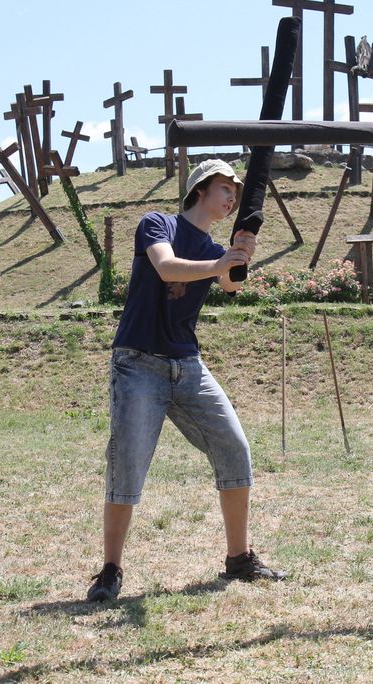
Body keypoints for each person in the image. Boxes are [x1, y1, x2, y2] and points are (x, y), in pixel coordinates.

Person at [87, 159, 286, 603]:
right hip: (139, 363)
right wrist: (220, 262)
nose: (232, 197)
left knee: (234, 449)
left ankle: (239, 559)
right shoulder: (157, 224)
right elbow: (167, 269)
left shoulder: (216, 245)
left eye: (235, 191)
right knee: (128, 464)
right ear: (199, 189)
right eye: (223, 188)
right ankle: (110, 571)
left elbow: (233, 286)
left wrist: (240, 253)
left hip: (187, 365)